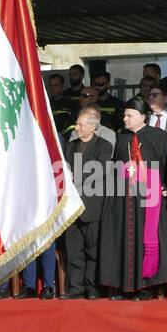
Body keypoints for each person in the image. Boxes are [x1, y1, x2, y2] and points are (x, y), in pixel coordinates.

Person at [99, 98, 167, 299]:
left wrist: (166, 185)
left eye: (129, 115)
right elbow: (116, 165)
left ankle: (146, 287)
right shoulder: (121, 137)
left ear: (142, 116)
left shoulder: (159, 136)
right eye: (124, 115)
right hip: (125, 199)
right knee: (126, 239)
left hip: (149, 199)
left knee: (146, 239)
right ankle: (126, 286)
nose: (124, 118)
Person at [63, 107, 113, 299]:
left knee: (93, 250)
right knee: (74, 250)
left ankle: (92, 287)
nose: (77, 127)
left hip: (92, 207)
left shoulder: (104, 146)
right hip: (72, 208)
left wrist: (74, 177)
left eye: (81, 124)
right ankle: (76, 288)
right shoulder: (70, 145)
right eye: (77, 123)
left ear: (92, 127)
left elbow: (101, 172)